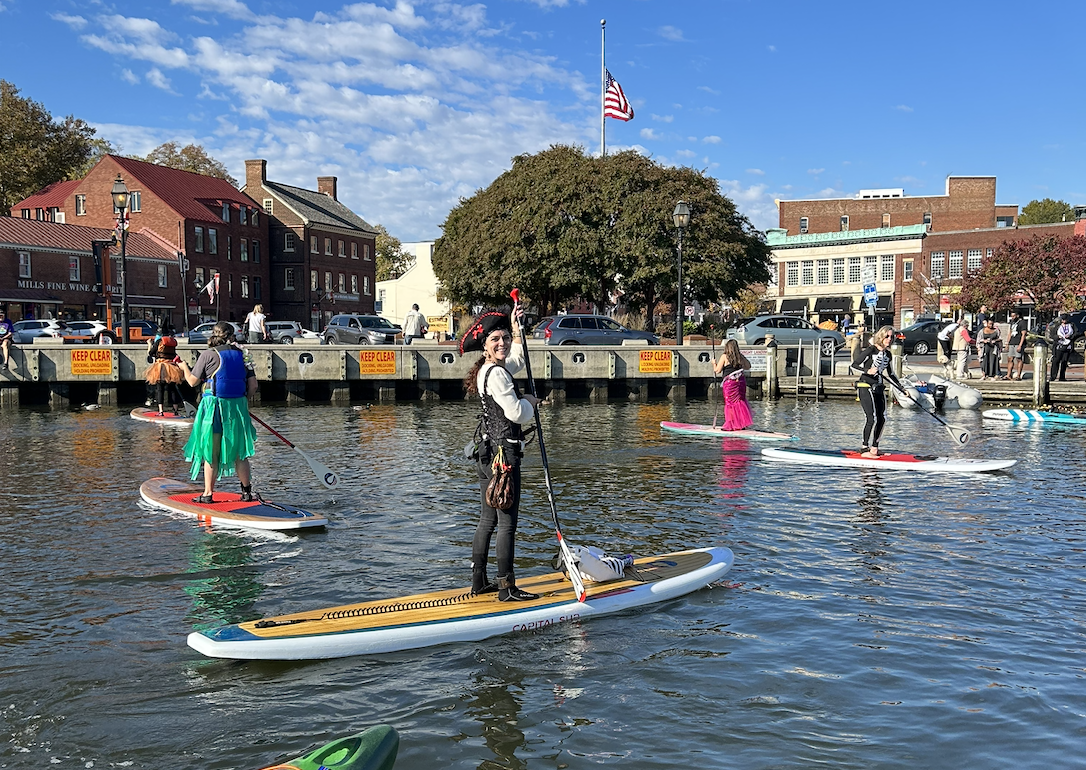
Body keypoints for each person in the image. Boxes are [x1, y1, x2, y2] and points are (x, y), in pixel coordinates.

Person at [461, 309, 542, 602]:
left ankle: (479, 581)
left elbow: (517, 361)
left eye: (505, 338)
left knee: (488, 520)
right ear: (484, 344)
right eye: (495, 339)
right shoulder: (496, 374)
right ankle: (507, 588)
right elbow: (516, 412)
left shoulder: (488, 370)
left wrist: (517, 330)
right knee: (507, 523)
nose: (502, 343)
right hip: (503, 457)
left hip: (486, 453)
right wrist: (530, 401)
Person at [176, 321, 259, 503]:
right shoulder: (243, 355)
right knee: (240, 453)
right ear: (232, 335)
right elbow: (253, 386)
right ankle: (246, 493)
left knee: (211, 452)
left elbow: (192, 382)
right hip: (237, 408)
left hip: (213, 408)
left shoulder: (208, 354)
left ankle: (207, 494)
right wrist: (242, 400)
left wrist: (184, 367)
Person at [851, 325, 897, 458]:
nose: (889, 339)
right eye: (887, 336)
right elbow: (854, 365)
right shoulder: (871, 350)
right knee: (872, 417)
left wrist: (902, 388)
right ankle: (864, 448)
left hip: (878, 386)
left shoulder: (888, 354)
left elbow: (891, 374)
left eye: (891, 337)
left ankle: (874, 448)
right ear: (881, 336)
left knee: (882, 418)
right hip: (865, 385)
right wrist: (868, 371)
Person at [713, 339, 754, 431]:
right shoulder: (740, 357)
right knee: (740, 401)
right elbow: (748, 366)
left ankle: (731, 425)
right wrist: (741, 358)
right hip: (741, 381)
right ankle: (741, 424)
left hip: (730, 383)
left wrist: (714, 363)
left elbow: (717, 370)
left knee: (730, 403)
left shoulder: (724, 356)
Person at [144, 322, 183, 415]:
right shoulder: (172, 342)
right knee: (172, 389)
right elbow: (173, 354)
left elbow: (151, 353)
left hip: (160, 367)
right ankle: (175, 410)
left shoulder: (159, 341)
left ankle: (161, 411)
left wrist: (149, 344)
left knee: (160, 388)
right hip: (171, 367)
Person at [1050, 313, 1074, 382]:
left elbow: (1076, 333)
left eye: (1065, 319)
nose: (1064, 321)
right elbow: (1052, 335)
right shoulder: (1057, 326)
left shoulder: (1071, 325)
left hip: (1067, 346)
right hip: (1058, 346)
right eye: (1063, 319)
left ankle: (1062, 377)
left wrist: (1070, 336)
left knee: (1064, 362)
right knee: (1056, 361)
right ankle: (1053, 376)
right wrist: (1058, 337)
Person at [1006, 311, 1026, 380]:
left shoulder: (1022, 322)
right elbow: (1010, 333)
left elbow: (1023, 334)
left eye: (1014, 316)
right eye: (1011, 316)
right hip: (1012, 342)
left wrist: (1020, 345)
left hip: (1018, 342)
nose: (1012, 318)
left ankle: (1018, 375)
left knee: (1018, 359)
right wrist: (1007, 343)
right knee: (1010, 358)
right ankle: (1008, 375)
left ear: (1017, 315)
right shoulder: (1012, 323)